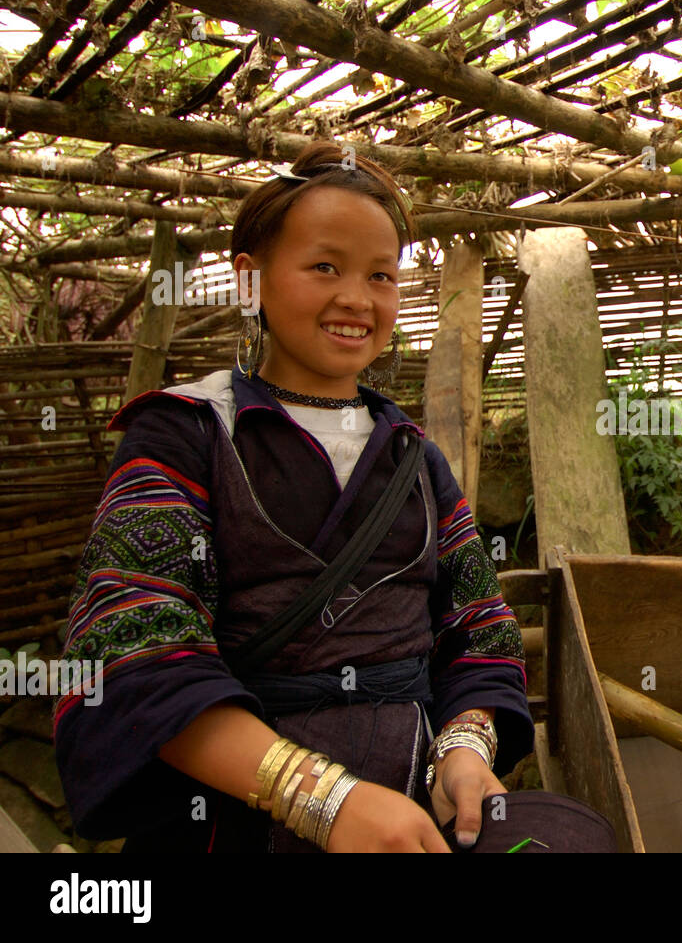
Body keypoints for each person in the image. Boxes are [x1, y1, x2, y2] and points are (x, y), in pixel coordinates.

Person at [53, 141, 532, 852]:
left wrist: (464, 749)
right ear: (250, 280)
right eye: (325, 267)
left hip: (413, 820)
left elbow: (481, 630)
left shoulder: (416, 459)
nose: (357, 299)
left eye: (382, 276)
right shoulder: (184, 434)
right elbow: (134, 642)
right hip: (233, 822)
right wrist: (322, 799)